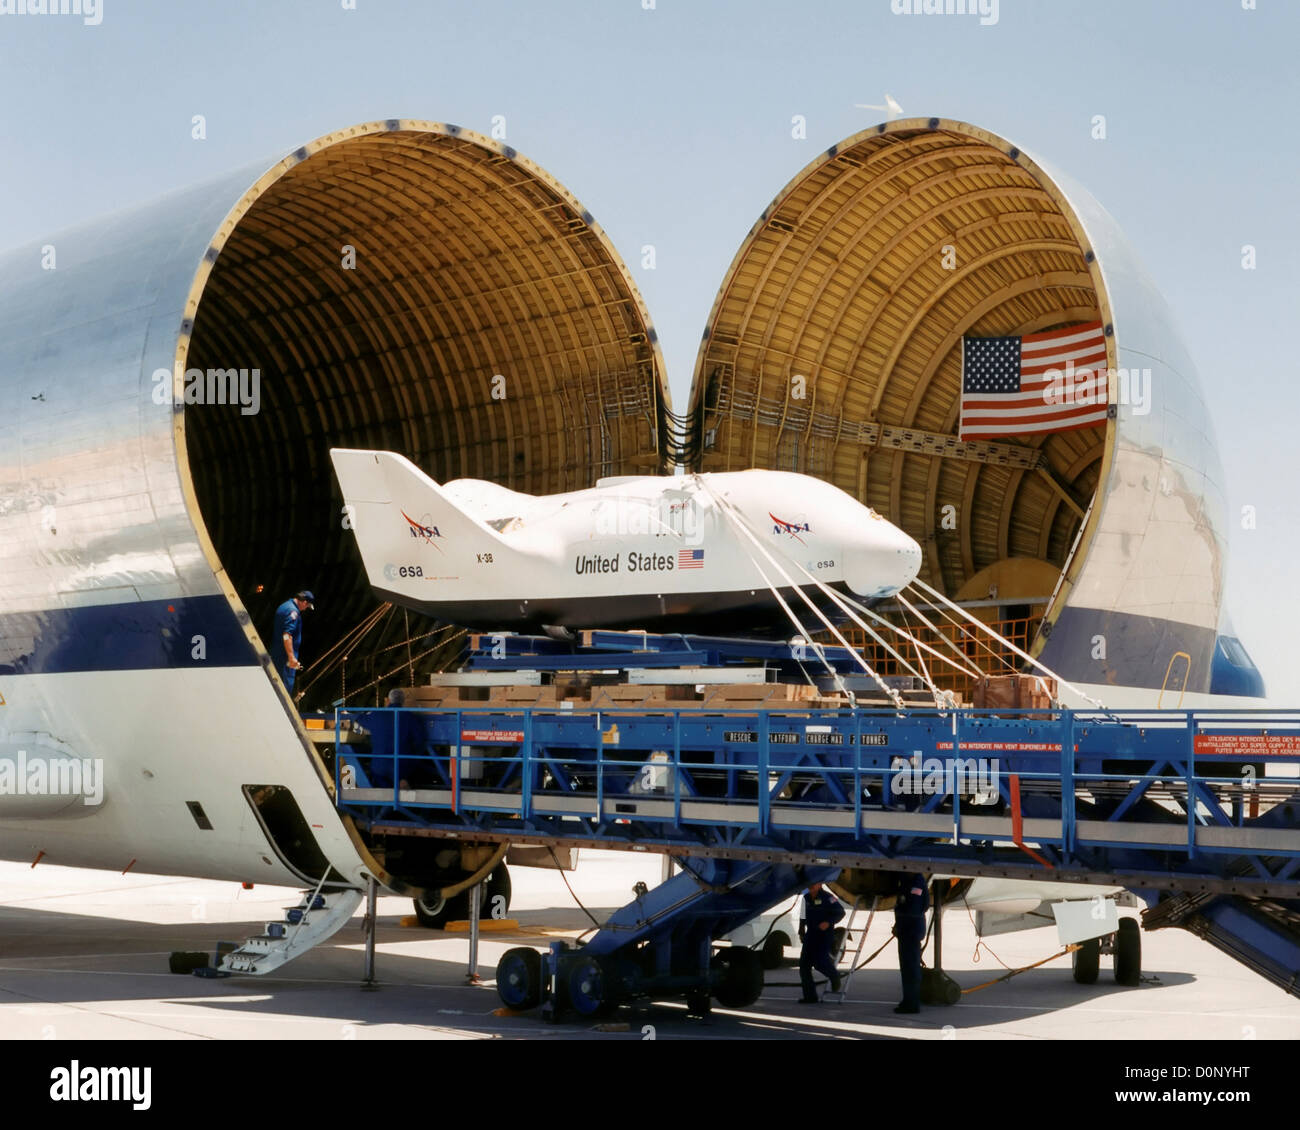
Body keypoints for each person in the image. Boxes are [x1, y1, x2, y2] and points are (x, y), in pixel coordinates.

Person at [798, 881, 845, 1003]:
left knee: (820, 962)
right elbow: (802, 916)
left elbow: (841, 912)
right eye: (811, 882)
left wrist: (829, 922)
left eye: (815, 882)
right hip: (811, 934)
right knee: (804, 966)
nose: (812, 884)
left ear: (820, 884)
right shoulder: (806, 898)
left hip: (824, 935)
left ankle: (834, 976)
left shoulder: (829, 897)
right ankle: (810, 997)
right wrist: (801, 930)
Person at [893, 872, 929, 1014]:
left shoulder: (916, 882)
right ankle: (908, 1000)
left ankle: (912, 1003)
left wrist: (901, 920)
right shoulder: (907, 880)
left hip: (911, 930)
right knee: (906, 968)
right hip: (906, 929)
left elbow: (914, 907)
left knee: (911, 969)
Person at [271, 590, 315, 693]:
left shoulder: (284, 606)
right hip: (285, 657)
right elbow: (287, 635)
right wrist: (291, 658)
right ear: (304, 602)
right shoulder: (293, 612)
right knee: (284, 689)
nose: (305, 609)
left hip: (278, 653)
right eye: (307, 606)